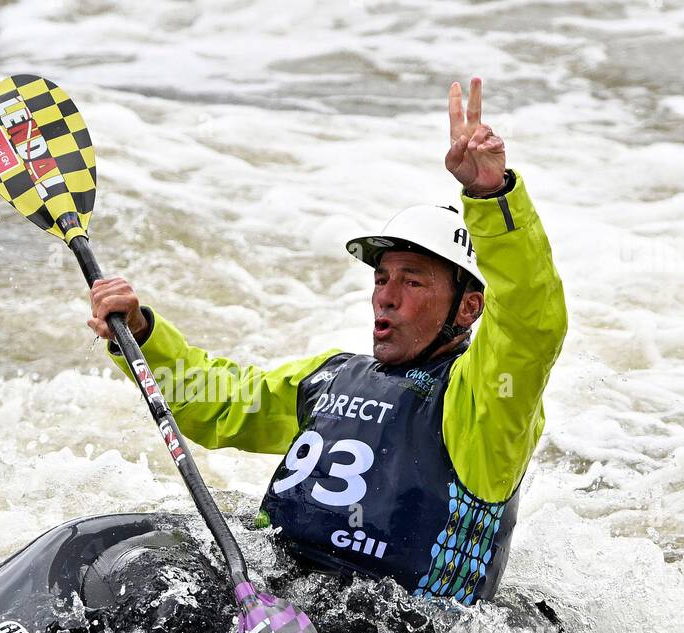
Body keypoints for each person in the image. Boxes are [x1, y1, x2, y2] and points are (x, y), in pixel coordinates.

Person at [87, 78, 567, 605]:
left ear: (468, 307)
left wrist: (489, 197)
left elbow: (530, 321)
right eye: (382, 278)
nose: (385, 297)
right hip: (288, 596)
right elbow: (218, 402)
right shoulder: (332, 376)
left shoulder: (488, 403)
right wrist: (141, 335)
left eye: (412, 281)